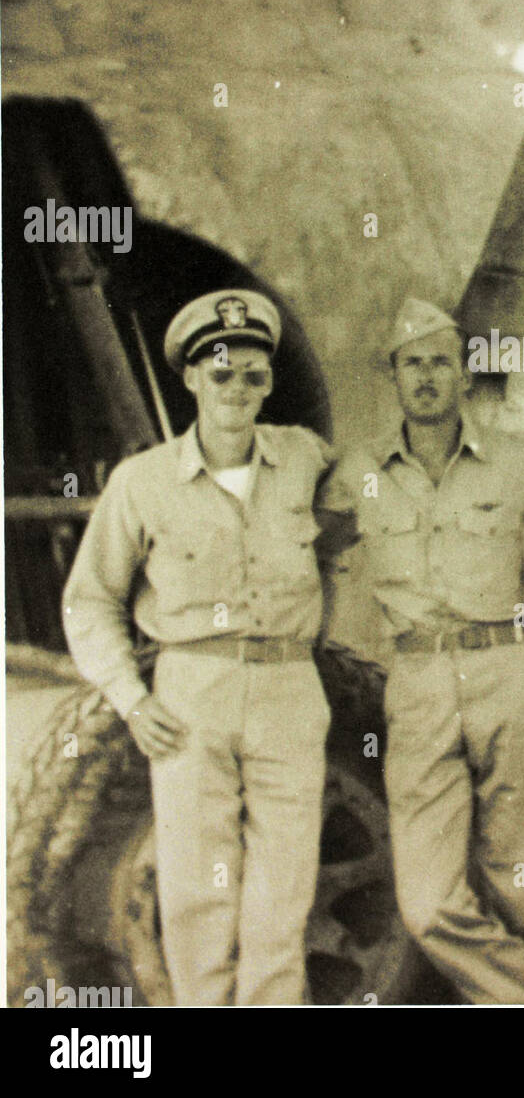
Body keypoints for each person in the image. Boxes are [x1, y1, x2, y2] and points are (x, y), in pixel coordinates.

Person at [62, 289, 333, 1006]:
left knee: (283, 886)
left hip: (288, 688)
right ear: (190, 380)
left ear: (269, 382)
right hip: (191, 695)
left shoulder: (306, 461)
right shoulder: (142, 483)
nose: (236, 390)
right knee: (195, 890)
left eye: (251, 375)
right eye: (220, 374)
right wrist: (130, 697)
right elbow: (89, 599)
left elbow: (350, 535)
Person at [318, 298, 524, 1004]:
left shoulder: (519, 460)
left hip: (510, 671)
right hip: (419, 682)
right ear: (393, 377)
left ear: (462, 373)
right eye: (412, 364)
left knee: (523, 883)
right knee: (428, 902)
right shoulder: (360, 473)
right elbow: (316, 549)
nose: (427, 376)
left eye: (440, 361)